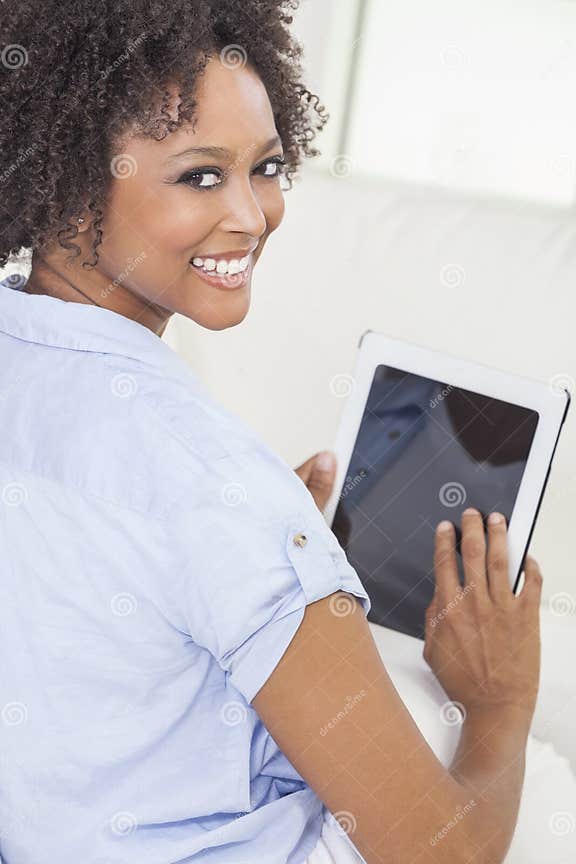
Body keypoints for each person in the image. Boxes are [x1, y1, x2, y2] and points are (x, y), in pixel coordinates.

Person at [0, 1, 548, 861]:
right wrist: (500, 703)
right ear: (66, 181)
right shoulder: (212, 483)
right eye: (200, 176)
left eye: (267, 167)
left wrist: (232, 568)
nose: (253, 216)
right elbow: (446, 854)